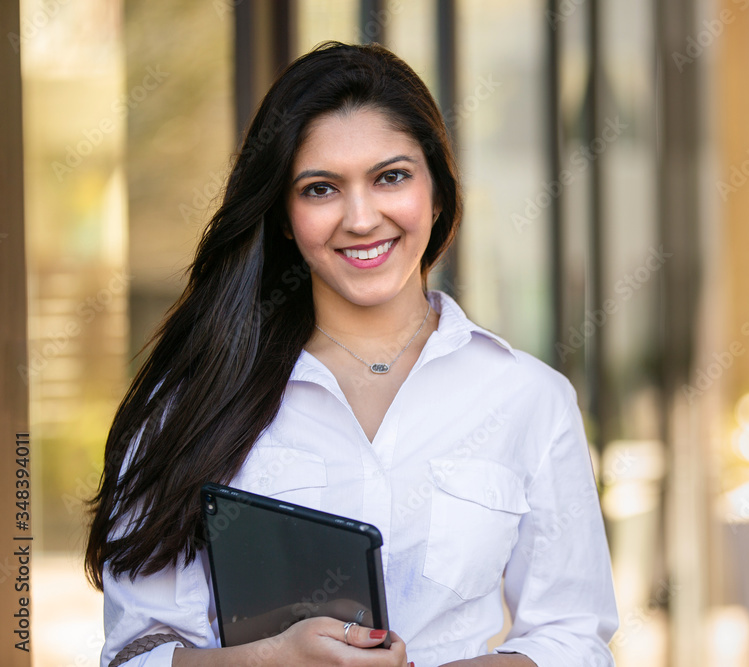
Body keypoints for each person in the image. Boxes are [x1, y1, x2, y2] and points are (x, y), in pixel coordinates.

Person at [87, 41, 618, 667]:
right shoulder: (193, 399)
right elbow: (133, 652)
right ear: (284, 216)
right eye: (320, 189)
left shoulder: (530, 398)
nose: (362, 218)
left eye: (391, 176)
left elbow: (573, 638)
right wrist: (274, 659)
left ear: (438, 193)